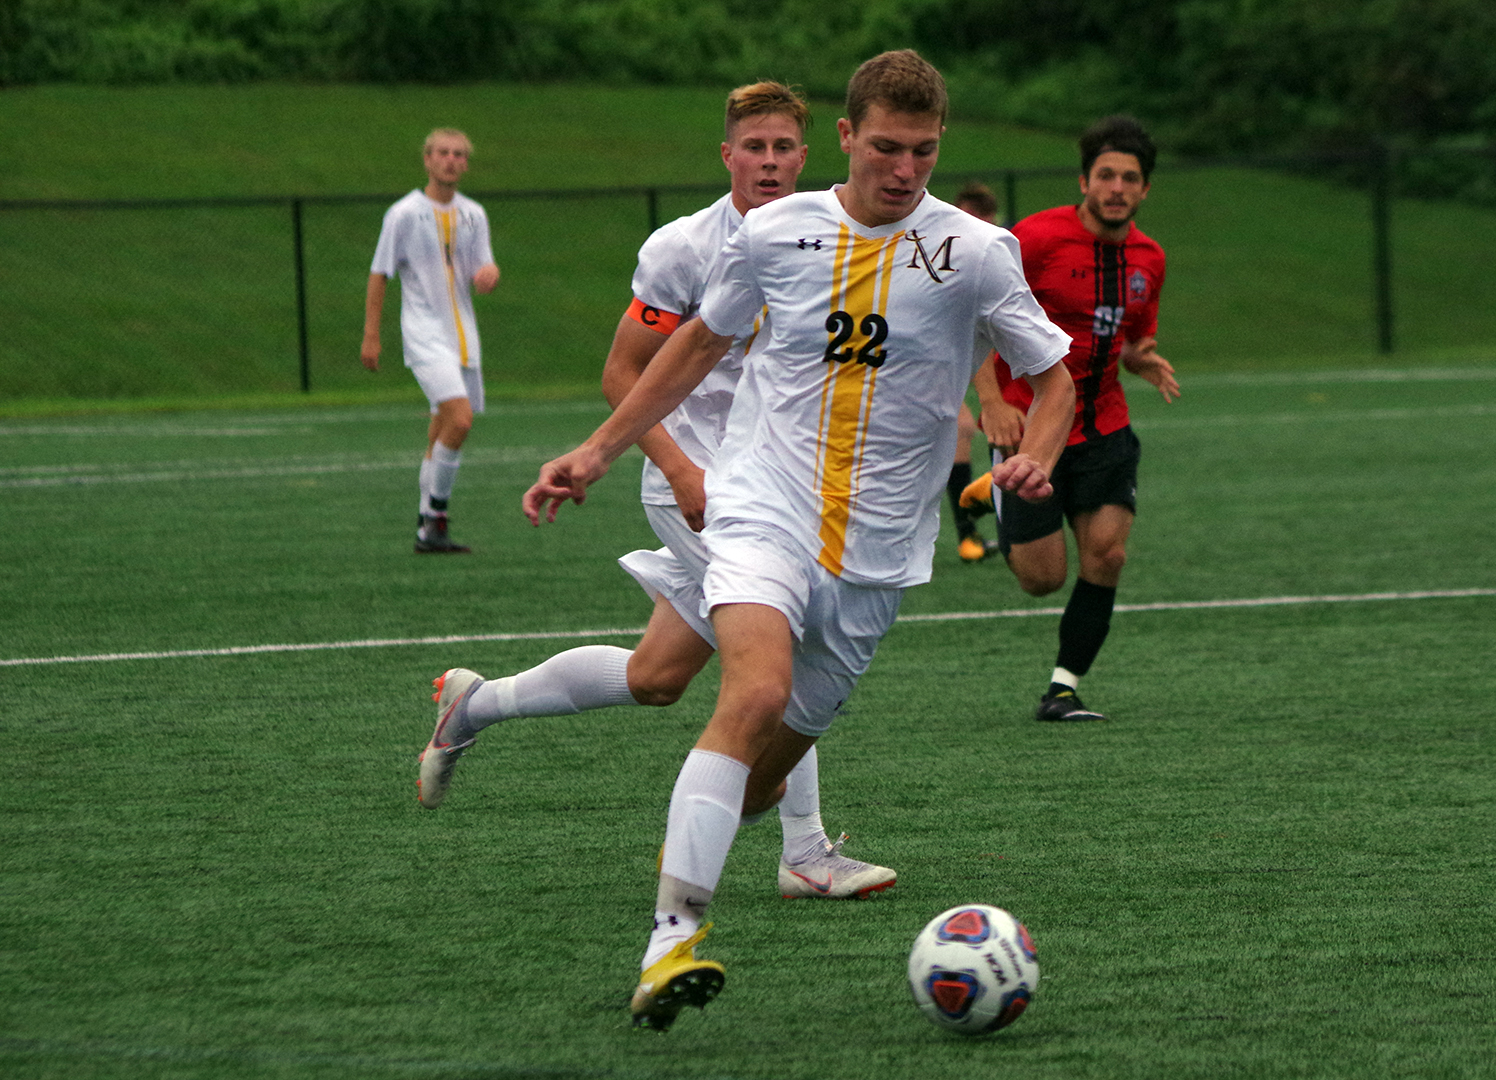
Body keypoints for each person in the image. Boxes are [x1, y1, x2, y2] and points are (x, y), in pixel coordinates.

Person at [522, 49, 1074, 1031]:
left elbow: (1053, 376)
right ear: (849, 138)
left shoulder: (978, 250)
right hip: (763, 504)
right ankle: (670, 943)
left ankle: (714, 857)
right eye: (887, 148)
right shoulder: (775, 232)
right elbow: (696, 343)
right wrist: (599, 450)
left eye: (924, 151)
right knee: (754, 692)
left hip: (879, 557)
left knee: (760, 777)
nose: (905, 170)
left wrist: (1036, 453)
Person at [412, 84, 897, 902]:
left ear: (807, 157)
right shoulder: (683, 247)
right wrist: (678, 470)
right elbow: (622, 372)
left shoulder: (827, 236)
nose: (769, 162)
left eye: (783, 147)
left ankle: (474, 705)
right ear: (727, 155)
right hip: (698, 484)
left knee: (656, 677)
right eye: (754, 147)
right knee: (786, 640)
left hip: (784, 485)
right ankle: (805, 853)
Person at [964, 116, 1180, 721]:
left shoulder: (1150, 259)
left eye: (1129, 179)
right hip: (1031, 427)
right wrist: (992, 400)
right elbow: (972, 317)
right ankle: (989, 490)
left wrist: (1140, 360)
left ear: (1145, 189)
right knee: (1042, 579)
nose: (1116, 188)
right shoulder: (1034, 239)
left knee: (1107, 556)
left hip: (1105, 425)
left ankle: (1062, 689)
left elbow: (1130, 335)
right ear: (1084, 181)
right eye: (1105, 175)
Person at [363, 128, 501, 554]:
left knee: (441, 427)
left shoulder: (474, 214)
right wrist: (371, 335)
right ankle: (437, 517)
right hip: (424, 334)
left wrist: (489, 275)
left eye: (459, 154)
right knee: (460, 420)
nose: (450, 160)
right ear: (427, 159)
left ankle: (427, 528)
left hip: (464, 337)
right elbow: (379, 273)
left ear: (466, 163)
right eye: (443, 153)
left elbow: (483, 268)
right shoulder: (404, 213)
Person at [947, 180, 1003, 562]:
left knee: (961, 429)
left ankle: (971, 530)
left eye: (982, 219)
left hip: (947, 364)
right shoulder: (941, 254)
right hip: (897, 366)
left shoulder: (993, 255)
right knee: (960, 428)